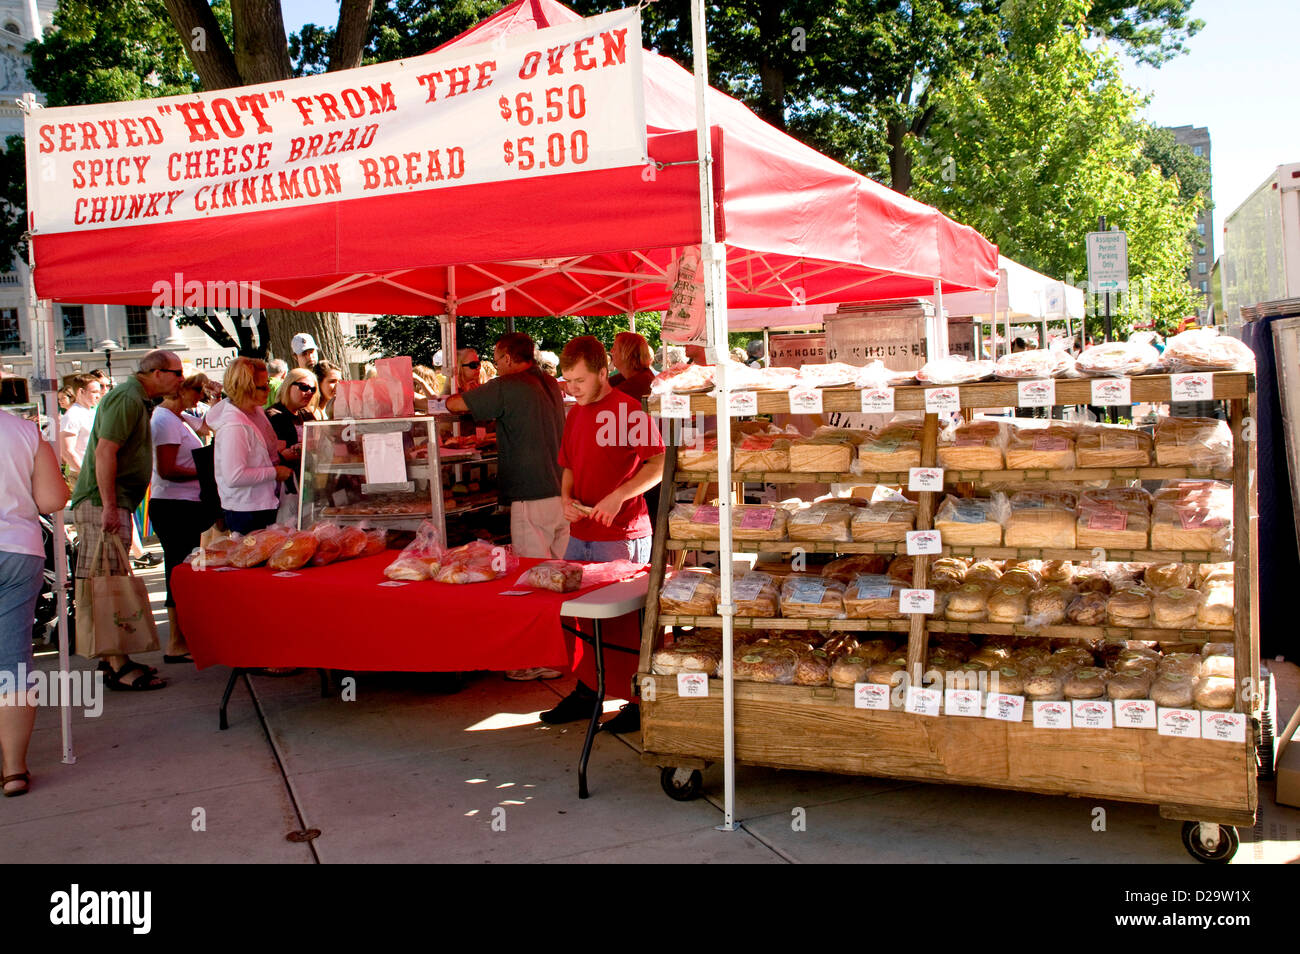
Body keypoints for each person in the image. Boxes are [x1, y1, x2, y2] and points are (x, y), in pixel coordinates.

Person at [541, 336, 665, 733]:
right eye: (567, 381)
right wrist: (563, 499)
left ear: (600, 372)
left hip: (622, 533)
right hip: (581, 531)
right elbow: (569, 467)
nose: (572, 388)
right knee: (579, 619)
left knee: (628, 622)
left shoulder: (628, 410)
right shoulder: (575, 414)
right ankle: (588, 690)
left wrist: (616, 497)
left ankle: (638, 698)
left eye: (578, 380)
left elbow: (659, 464)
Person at [444, 333, 567, 681]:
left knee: (532, 577)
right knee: (554, 574)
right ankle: (558, 649)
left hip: (531, 494)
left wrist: (465, 387)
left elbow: (455, 405)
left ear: (510, 358)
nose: (493, 366)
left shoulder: (508, 384)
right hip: (560, 489)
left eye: (496, 359)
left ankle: (530, 658)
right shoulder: (548, 382)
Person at [70, 349, 184, 691]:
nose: (181, 379)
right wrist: (108, 505)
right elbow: (106, 451)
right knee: (109, 584)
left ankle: (114, 660)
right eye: (176, 373)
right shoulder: (128, 399)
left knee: (109, 582)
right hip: (102, 502)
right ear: (156, 373)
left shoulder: (138, 399)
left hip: (112, 501)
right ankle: (118, 665)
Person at [0, 409, 70, 795]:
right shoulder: (23, 430)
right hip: (16, 550)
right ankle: (13, 769)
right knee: (12, 661)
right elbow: (51, 500)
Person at [148, 373, 212, 664]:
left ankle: (186, 636)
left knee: (190, 569)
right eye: (196, 390)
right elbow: (167, 469)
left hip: (187, 504)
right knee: (179, 570)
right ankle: (175, 641)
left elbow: (212, 423)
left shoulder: (179, 416)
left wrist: (214, 395)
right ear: (180, 390)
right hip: (175, 506)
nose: (200, 395)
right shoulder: (163, 420)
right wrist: (205, 472)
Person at [206, 357, 293, 535]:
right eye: (263, 386)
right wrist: (275, 472)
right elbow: (234, 476)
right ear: (245, 388)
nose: (269, 390)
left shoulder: (256, 411)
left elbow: (260, 450)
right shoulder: (234, 426)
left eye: (268, 383)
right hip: (247, 509)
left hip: (265, 502)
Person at [266, 367, 319, 495]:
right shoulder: (273, 416)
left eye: (313, 389)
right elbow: (268, 457)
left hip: (308, 482)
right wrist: (286, 455)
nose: (309, 392)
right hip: (284, 488)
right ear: (288, 386)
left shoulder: (307, 414)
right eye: (304, 387)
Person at [59, 372, 102, 480]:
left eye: (99, 391)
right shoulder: (72, 415)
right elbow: (67, 451)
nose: (98, 395)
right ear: (81, 392)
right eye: (94, 392)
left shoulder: (92, 412)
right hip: (83, 476)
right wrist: (87, 473)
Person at [609, 332, 656, 400]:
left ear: (626, 353)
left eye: (614, 348)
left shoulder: (640, 382)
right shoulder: (632, 375)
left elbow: (606, 399)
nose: (611, 351)